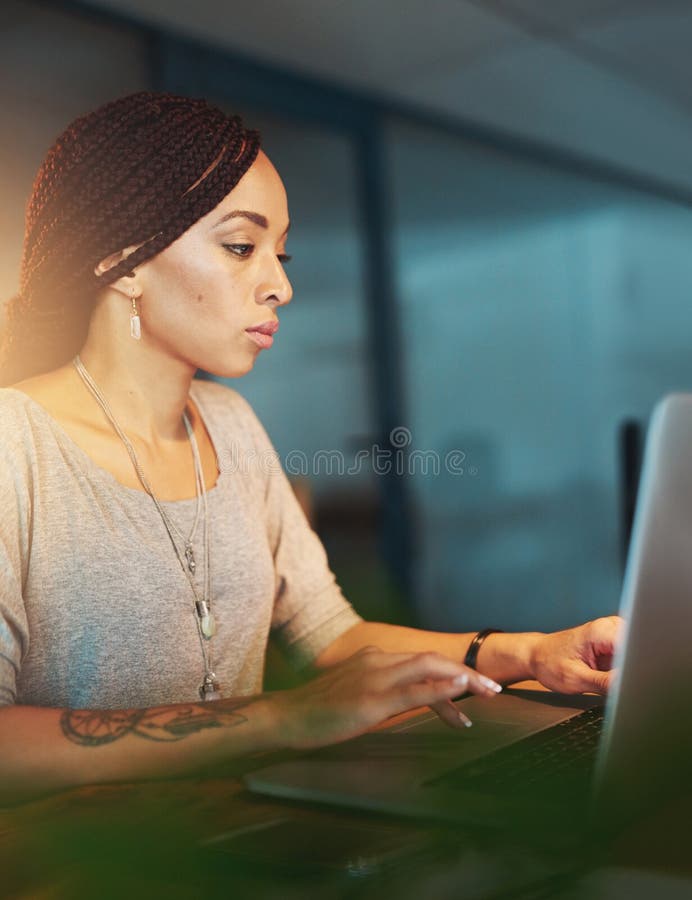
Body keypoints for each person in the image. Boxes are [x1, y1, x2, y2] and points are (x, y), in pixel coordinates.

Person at [0, 92, 620, 806]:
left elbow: (331, 635)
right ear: (123, 263)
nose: (282, 286)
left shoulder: (230, 424)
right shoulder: (19, 446)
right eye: (241, 247)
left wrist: (530, 652)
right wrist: (286, 717)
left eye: (280, 252)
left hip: (239, 841)